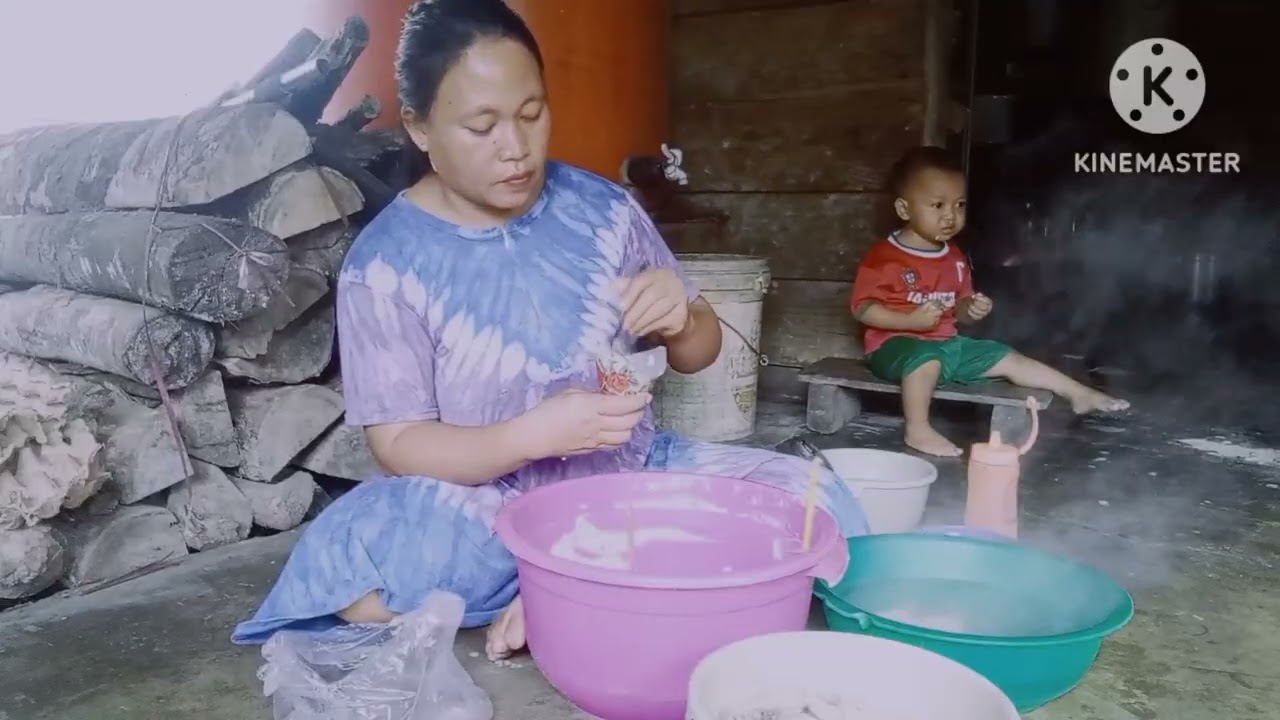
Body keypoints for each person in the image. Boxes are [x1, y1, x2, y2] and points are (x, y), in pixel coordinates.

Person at [230, 0, 868, 662]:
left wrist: (685, 317)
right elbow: (398, 442)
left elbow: (699, 354)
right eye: (482, 126)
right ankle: (613, 576)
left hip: (632, 483)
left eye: (532, 114)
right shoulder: (386, 263)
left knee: (821, 504)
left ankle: (565, 585)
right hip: (487, 506)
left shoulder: (605, 210)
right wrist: (527, 436)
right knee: (350, 560)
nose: (516, 148)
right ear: (419, 128)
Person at [850, 146, 1129, 458]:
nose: (950, 216)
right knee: (924, 357)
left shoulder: (954, 257)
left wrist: (969, 308)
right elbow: (863, 309)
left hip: (947, 345)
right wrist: (910, 323)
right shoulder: (883, 257)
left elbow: (959, 311)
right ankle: (918, 429)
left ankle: (1077, 393)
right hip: (894, 347)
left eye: (959, 205)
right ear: (904, 209)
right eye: (938, 205)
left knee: (1007, 356)